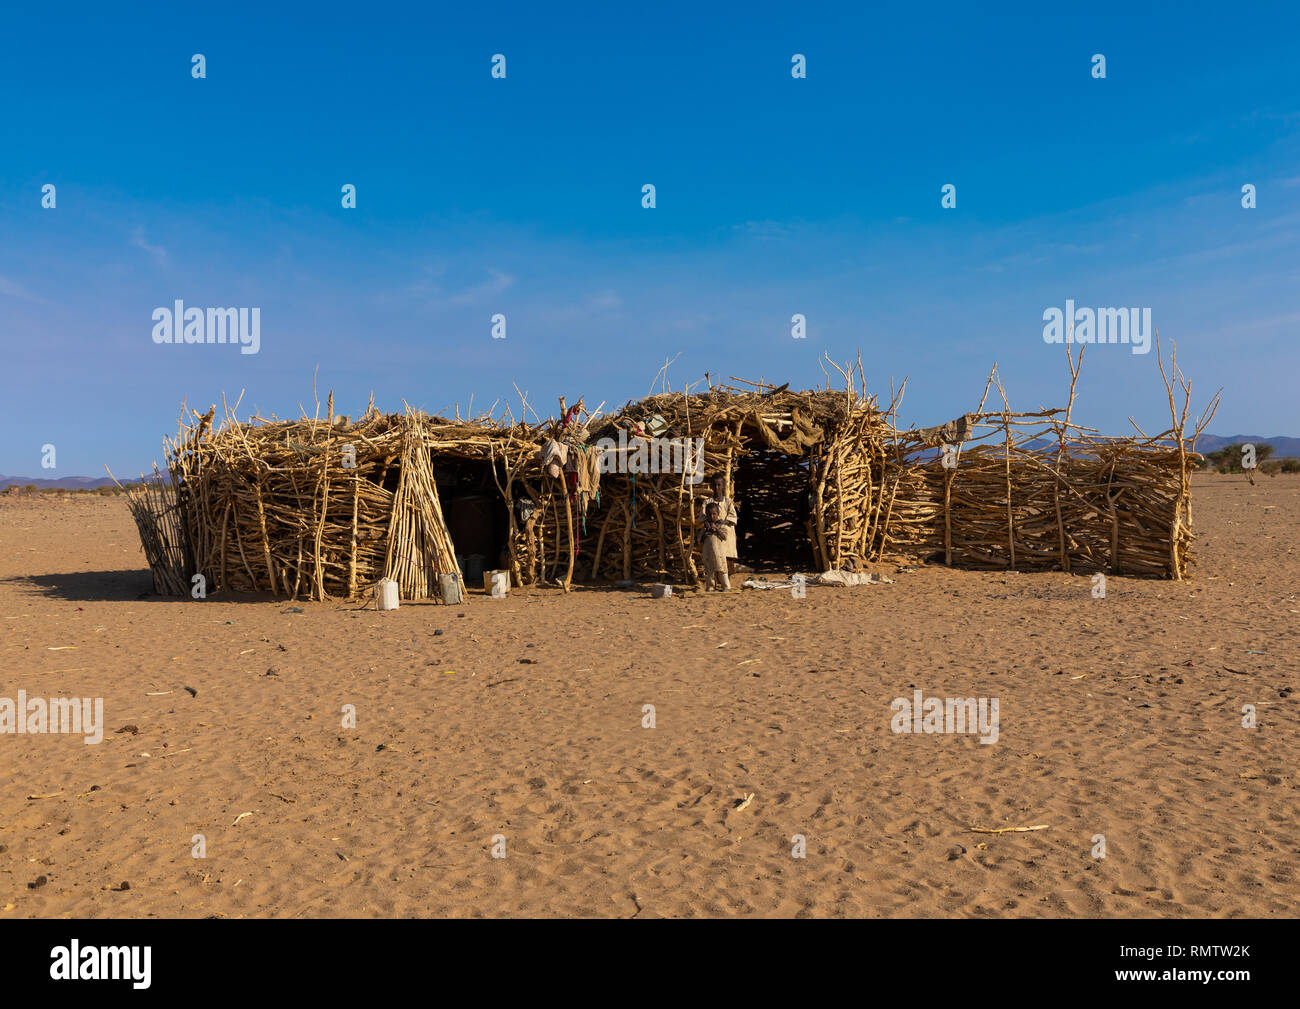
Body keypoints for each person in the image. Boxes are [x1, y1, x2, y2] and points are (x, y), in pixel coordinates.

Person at [701, 474, 739, 575]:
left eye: (719, 485)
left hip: (726, 534)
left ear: (723, 486)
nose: (717, 488)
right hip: (713, 534)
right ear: (711, 487)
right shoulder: (707, 502)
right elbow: (703, 517)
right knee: (715, 556)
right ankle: (717, 580)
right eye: (714, 485)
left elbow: (733, 517)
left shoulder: (727, 502)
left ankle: (726, 581)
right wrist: (708, 523)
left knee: (727, 558)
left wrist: (724, 522)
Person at [698, 501, 730, 591]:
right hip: (708, 552)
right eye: (709, 514)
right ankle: (710, 587)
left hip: (719, 552)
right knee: (709, 571)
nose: (712, 517)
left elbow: (724, 536)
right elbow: (699, 540)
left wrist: (716, 529)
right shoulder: (705, 527)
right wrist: (705, 532)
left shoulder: (721, 525)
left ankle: (726, 586)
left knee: (722, 569)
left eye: (714, 514)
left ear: (718, 514)